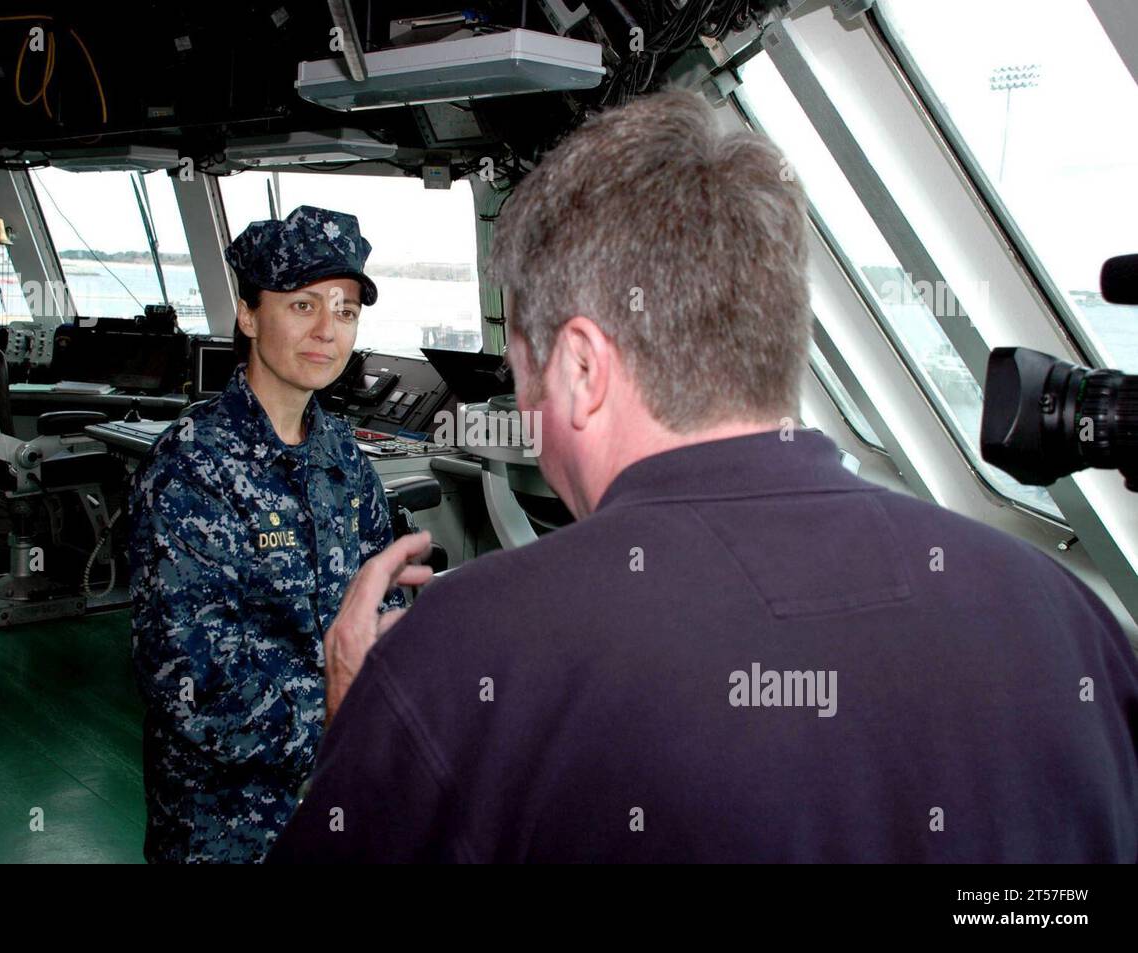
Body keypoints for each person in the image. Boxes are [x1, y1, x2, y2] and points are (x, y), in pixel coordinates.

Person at [271, 91, 1138, 862]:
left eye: (523, 367)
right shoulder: (1069, 619)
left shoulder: (461, 654)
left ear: (580, 366)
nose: (524, 404)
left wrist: (365, 728)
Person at [129, 205, 404, 863]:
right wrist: (345, 717)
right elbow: (190, 676)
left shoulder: (343, 456)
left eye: (344, 311)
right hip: (226, 830)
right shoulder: (192, 465)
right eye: (303, 305)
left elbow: (381, 601)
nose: (327, 331)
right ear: (250, 315)